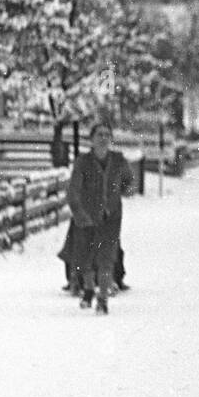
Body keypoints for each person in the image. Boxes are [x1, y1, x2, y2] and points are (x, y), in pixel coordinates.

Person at [67, 121, 135, 315]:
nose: (104, 138)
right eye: (100, 135)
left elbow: (129, 181)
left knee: (107, 258)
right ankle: (88, 290)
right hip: (86, 217)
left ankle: (102, 298)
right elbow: (73, 191)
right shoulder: (83, 162)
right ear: (92, 139)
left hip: (111, 217)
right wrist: (79, 213)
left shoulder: (118, 160)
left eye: (107, 134)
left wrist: (127, 188)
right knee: (86, 258)